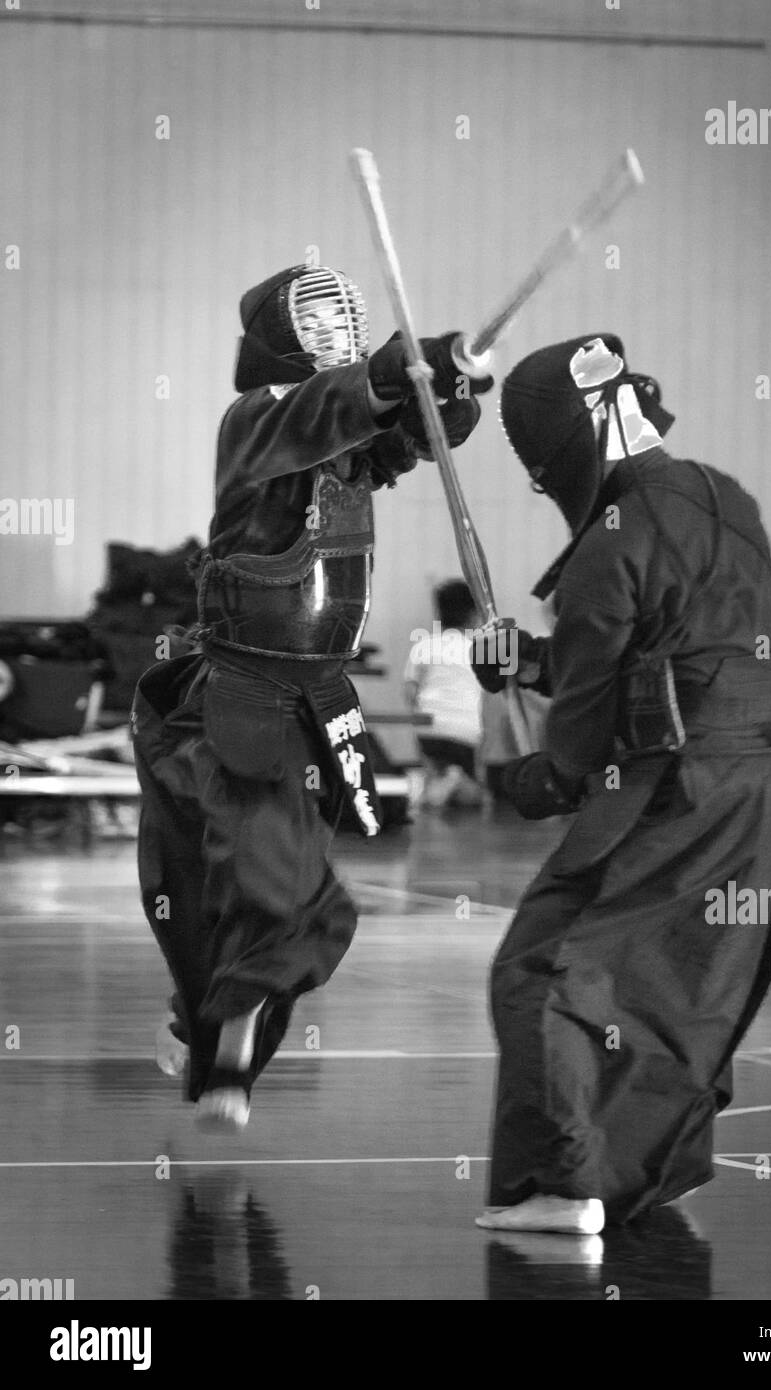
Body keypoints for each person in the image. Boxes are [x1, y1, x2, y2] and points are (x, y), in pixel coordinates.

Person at [471, 333, 771, 1233]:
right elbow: (679, 650)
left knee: (540, 970)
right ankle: (657, 1171)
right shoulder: (725, 496)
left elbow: (588, 723)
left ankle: (564, 1186)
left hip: (688, 795)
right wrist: (528, 661)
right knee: (683, 990)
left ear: (562, 452)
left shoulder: (606, 549)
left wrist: (536, 780)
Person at [132, 262, 491, 1132]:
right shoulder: (258, 422)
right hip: (244, 691)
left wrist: (445, 390)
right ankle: (226, 1036)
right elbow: (329, 407)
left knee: (283, 879)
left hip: (317, 701)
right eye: (319, 319)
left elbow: (398, 439)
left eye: (345, 321)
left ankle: (215, 1021)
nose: (337, 329)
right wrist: (396, 369)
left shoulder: (336, 446)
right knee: (265, 883)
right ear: (280, 335)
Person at [404, 579, 484, 809]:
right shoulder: (477, 648)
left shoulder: (423, 645)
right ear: (473, 614)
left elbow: (410, 692)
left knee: (437, 779)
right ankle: (454, 777)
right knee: (474, 799)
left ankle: (436, 780)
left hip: (428, 726)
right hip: (464, 731)